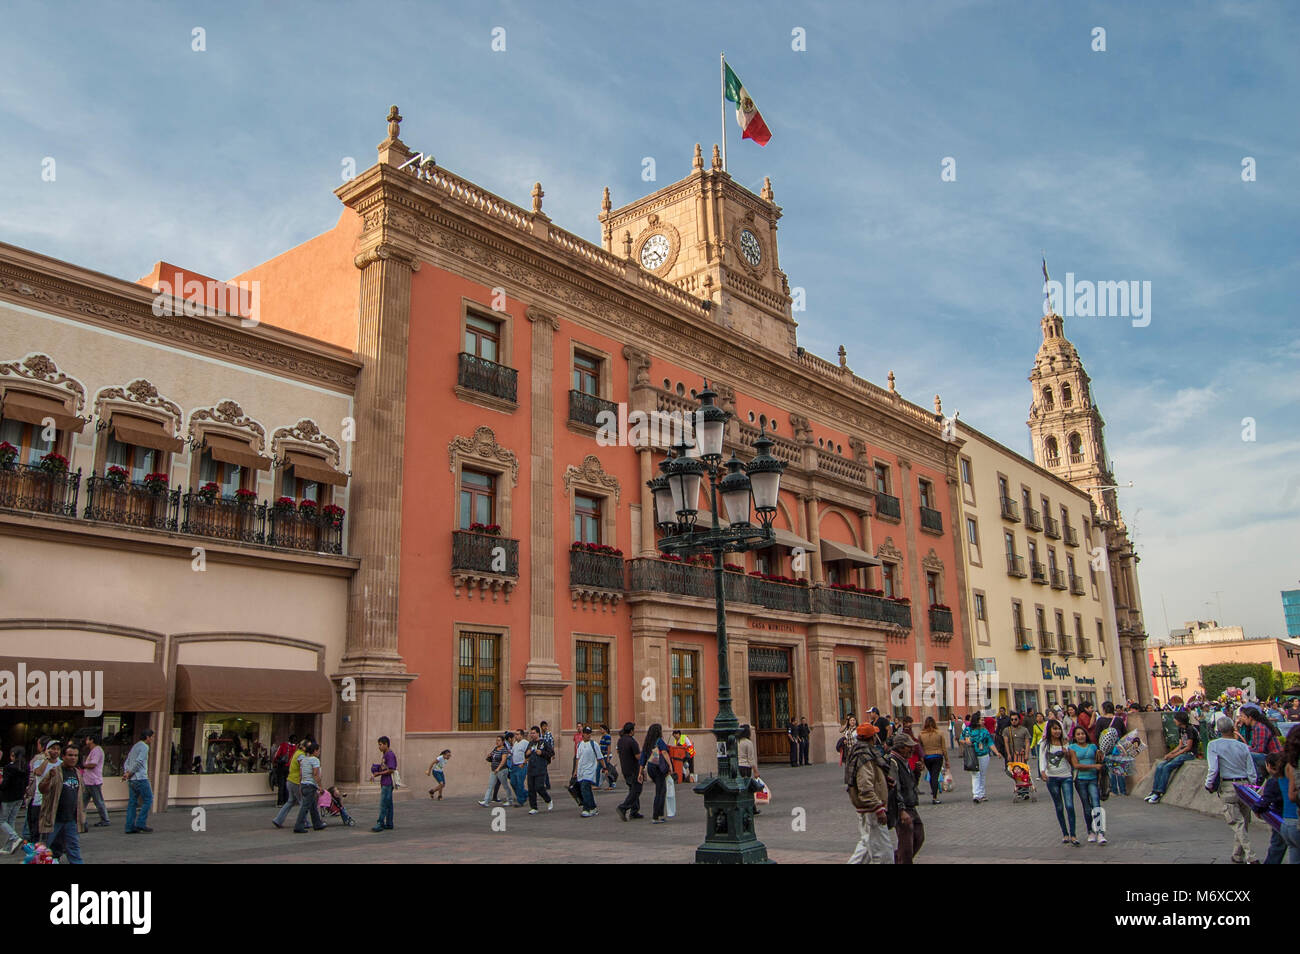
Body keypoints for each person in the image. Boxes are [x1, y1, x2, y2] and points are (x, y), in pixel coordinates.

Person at [1204, 715, 1258, 863]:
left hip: (1228, 786)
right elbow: (1251, 770)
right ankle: (1237, 854)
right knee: (1243, 823)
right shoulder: (1242, 746)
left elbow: (1213, 769)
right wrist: (1252, 786)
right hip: (1245, 785)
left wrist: (1209, 784)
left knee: (1237, 823)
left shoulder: (1213, 745)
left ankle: (1251, 855)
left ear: (1218, 730)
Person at [846, 722, 895, 864]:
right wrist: (878, 808)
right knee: (883, 852)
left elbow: (873, 776)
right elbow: (865, 786)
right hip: (871, 809)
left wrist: (885, 781)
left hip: (868, 809)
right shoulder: (864, 756)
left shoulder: (865, 753)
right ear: (870, 738)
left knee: (866, 849)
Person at [40, 742, 86, 864]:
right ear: (63, 757)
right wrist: (49, 778)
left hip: (71, 819)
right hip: (54, 818)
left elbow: (80, 795)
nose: (73, 758)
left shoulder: (77, 773)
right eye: (70, 755)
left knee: (73, 847)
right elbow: (42, 789)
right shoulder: (55, 771)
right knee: (43, 849)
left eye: (76, 755)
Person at [1040, 719, 1079, 846]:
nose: (1057, 731)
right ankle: (1065, 833)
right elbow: (1042, 758)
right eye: (1054, 729)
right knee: (1059, 806)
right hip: (1052, 778)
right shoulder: (1045, 744)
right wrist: (1042, 771)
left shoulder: (1066, 742)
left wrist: (1066, 753)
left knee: (1069, 805)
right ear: (1049, 730)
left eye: (1058, 729)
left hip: (1066, 776)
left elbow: (1071, 760)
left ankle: (1073, 834)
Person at [1145, 710, 1198, 804]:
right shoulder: (1180, 729)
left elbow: (1188, 747)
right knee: (1160, 766)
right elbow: (1180, 745)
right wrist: (1170, 754)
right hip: (1182, 752)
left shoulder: (1190, 729)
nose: (1174, 720)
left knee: (1167, 767)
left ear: (1180, 720)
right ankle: (1154, 790)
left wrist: (1174, 755)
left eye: (1175, 719)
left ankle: (1159, 792)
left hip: (1190, 754)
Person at [888, 733, 924, 863]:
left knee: (919, 837)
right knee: (907, 845)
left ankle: (897, 860)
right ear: (901, 747)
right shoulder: (893, 762)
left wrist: (916, 773)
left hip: (911, 805)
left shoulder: (904, 761)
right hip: (902, 808)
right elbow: (894, 788)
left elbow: (911, 784)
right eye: (909, 746)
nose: (912, 749)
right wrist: (901, 810)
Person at [1068, 725, 1105, 845]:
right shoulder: (1072, 748)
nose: (1081, 736)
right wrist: (1094, 766)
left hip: (1093, 779)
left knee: (1096, 804)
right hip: (1080, 779)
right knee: (1087, 806)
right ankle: (1090, 831)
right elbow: (1076, 765)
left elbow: (1099, 761)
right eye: (1078, 734)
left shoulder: (1093, 746)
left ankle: (1100, 832)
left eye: (1082, 734)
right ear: (1074, 736)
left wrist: (1100, 756)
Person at [1255, 753, 1288, 864]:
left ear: (1268, 765)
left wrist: (1257, 809)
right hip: (1292, 816)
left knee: (1277, 847)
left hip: (1279, 817)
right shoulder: (1289, 778)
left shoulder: (1273, 781)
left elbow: (1266, 800)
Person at [122, 729, 155, 834]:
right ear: (147, 737)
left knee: (132, 802)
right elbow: (140, 761)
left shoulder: (135, 746)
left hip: (132, 779)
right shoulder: (145, 747)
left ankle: (129, 826)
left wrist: (127, 772)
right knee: (148, 799)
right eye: (151, 737)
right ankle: (141, 823)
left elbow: (127, 760)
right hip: (140, 777)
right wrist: (131, 772)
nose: (152, 739)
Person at [639, 723, 673, 823]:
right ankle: (657, 815)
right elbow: (664, 752)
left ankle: (660, 815)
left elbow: (643, 758)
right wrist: (670, 765)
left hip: (651, 768)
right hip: (659, 768)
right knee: (661, 791)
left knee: (659, 790)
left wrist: (640, 773)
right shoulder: (659, 741)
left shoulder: (647, 743)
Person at [959, 710, 996, 803]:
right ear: (976, 720)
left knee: (982, 775)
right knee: (975, 774)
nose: (983, 722)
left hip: (983, 755)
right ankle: (976, 795)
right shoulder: (968, 730)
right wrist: (966, 742)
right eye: (982, 720)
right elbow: (961, 739)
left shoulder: (984, 731)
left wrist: (996, 752)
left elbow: (990, 742)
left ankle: (982, 794)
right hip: (972, 754)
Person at [24, 737, 55, 844]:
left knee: (42, 824)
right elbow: (37, 772)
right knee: (35, 822)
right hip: (38, 796)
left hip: (48, 798)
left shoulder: (59, 762)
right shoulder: (39, 760)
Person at [1093, 702, 1128, 795]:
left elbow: (1096, 735)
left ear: (1104, 709)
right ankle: (1123, 790)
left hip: (1106, 748)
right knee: (1119, 768)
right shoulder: (1119, 720)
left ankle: (1114, 790)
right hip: (1118, 747)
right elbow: (1125, 733)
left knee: (1110, 769)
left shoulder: (1100, 720)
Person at [272, 738, 308, 828]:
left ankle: (278, 819)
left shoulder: (296, 753)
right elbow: (302, 769)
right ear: (304, 747)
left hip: (290, 779)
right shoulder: (301, 755)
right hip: (296, 781)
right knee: (302, 802)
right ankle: (304, 822)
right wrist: (302, 782)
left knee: (290, 801)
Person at [293, 741, 327, 833]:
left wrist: (300, 785)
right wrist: (320, 786)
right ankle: (298, 825)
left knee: (312, 806)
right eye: (318, 751)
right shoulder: (315, 760)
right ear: (315, 751)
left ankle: (317, 823)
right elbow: (316, 774)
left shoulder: (304, 760)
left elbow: (300, 774)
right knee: (305, 806)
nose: (319, 753)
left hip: (304, 784)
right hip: (310, 785)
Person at [571, 725, 605, 817]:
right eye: (586, 733)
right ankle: (593, 807)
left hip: (590, 770)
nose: (588, 735)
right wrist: (575, 771)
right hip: (581, 770)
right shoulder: (580, 744)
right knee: (586, 790)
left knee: (584, 787)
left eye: (589, 733)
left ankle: (586, 808)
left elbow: (600, 757)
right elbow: (578, 758)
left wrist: (605, 767)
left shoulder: (594, 745)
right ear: (583, 734)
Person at [1241, 705, 1281, 783]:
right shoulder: (1255, 728)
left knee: (1249, 755)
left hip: (1274, 757)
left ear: (1250, 718)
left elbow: (1259, 749)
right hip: (1268, 756)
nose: (1242, 719)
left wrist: (1246, 749)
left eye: (1244, 717)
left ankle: (1258, 779)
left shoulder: (1260, 728)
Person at [79, 735, 111, 830]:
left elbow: (93, 764)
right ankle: (80, 819)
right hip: (88, 780)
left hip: (94, 780)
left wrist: (83, 765)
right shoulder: (93, 750)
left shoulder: (97, 750)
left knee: (98, 801)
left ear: (92, 740)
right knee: (82, 802)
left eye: (88, 739)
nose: (86, 741)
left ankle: (105, 819)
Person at [1, 746, 28, 854]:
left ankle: (15, 837)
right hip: (19, 797)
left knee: (1, 820)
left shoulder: (9, 767)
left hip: (8, 797)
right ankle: (8, 846)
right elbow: (26, 783)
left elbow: (5, 784)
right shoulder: (25, 766)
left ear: (13, 754)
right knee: (10, 821)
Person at [1278, 726, 1300, 862]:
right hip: (1296, 821)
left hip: (1287, 822)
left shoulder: (1283, 763)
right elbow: (1292, 795)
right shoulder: (1294, 766)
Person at [524, 726, 554, 814]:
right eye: (531, 733)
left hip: (540, 768)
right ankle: (534, 807)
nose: (532, 735)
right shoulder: (530, 743)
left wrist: (542, 753)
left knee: (539, 786)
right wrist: (527, 753)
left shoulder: (544, 743)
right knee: (531, 789)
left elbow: (551, 753)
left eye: (533, 733)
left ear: (538, 733)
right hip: (531, 768)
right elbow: (526, 755)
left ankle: (548, 800)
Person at [616, 722, 643, 821]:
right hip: (633, 769)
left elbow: (618, 751)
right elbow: (637, 756)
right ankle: (623, 807)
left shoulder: (620, 741)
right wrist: (643, 755)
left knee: (632, 788)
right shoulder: (632, 742)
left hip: (625, 768)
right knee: (636, 790)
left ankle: (634, 811)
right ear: (631, 731)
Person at [919, 716, 948, 804]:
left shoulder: (921, 734)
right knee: (935, 775)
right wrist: (947, 760)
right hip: (938, 756)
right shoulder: (940, 733)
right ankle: (935, 797)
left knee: (932, 775)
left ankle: (934, 794)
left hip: (927, 757)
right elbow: (944, 748)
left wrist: (922, 760)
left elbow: (921, 748)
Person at [371, 736, 397, 831]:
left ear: (386, 744)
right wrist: (376, 771)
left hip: (387, 783)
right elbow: (384, 768)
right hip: (385, 782)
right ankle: (389, 823)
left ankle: (380, 822)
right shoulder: (385, 754)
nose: (379, 747)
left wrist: (379, 773)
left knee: (383, 804)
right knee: (389, 804)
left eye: (380, 745)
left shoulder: (389, 755)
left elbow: (391, 769)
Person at [479, 736, 510, 807]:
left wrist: (498, 768)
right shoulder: (495, 749)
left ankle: (509, 800)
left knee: (505, 786)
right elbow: (492, 757)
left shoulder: (504, 750)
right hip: (493, 770)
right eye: (496, 740)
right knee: (490, 786)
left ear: (502, 742)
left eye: (499, 740)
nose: (497, 742)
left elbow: (503, 760)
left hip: (501, 770)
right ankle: (486, 801)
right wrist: (488, 756)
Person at [271, 734, 298, 805]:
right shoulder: (296, 748)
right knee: (287, 785)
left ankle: (280, 802)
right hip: (290, 768)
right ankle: (287, 801)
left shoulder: (283, 745)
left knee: (281, 785)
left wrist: (274, 763)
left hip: (282, 767)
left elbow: (276, 755)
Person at [509, 729, 529, 805]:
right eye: (515, 734)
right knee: (513, 782)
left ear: (522, 735)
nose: (516, 736)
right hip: (514, 766)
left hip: (521, 765)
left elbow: (528, 754)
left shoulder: (525, 743)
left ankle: (520, 800)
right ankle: (526, 794)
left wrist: (524, 763)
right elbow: (513, 753)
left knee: (520, 783)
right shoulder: (515, 743)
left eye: (517, 734)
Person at [599, 724, 616, 789]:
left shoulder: (607, 736)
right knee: (603, 770)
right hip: (603, 755)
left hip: (606, 755)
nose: (600, 730)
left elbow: (609, 747)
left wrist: (608, 757)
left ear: (605, 729)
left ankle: (611, 783)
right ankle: (599, 784)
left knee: (605, 770)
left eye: (601, 729)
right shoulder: (603, 736)